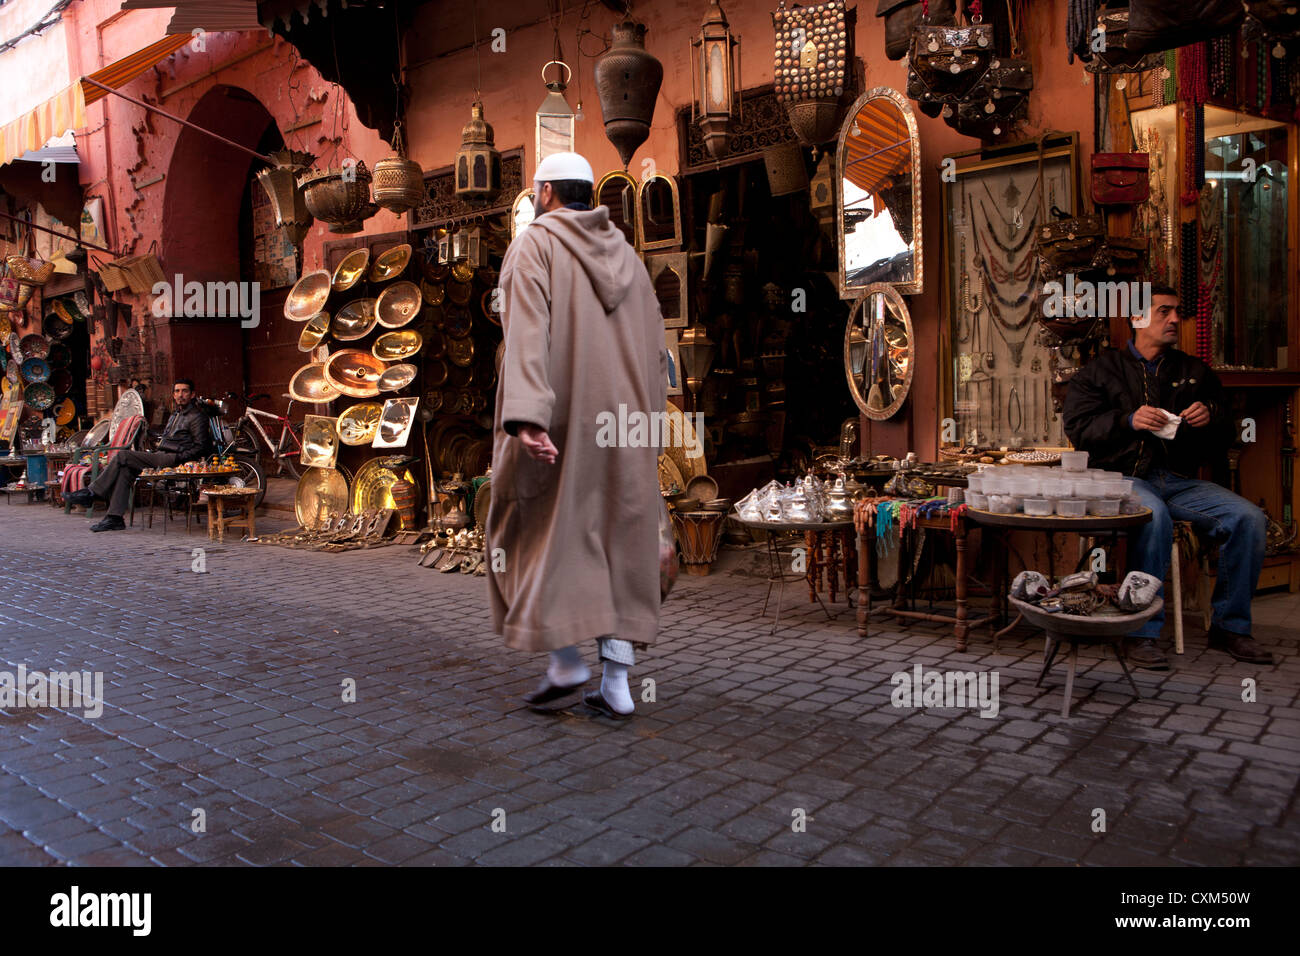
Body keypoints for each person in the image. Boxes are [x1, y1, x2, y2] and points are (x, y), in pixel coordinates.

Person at [486, 151, 667, 719]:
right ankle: (617, 686)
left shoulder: (534, 245)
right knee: (616, 541)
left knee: (537, 532)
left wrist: (528, 416)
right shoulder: (631, 260)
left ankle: (565, 660)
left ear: (544, 193)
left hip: (560, 422)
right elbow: (657, 352)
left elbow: (525, 336)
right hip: (625, 425)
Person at [1063, 284, 1273, 669]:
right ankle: (1142, 632)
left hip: (1178, 480)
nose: (1175, 319)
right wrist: (1127, 420)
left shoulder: (1195, 371)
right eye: (1164, 311)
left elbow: (1228, 431)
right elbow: (1078, 429)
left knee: (1248, 518)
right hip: (1121, 478)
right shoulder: (1099, 371)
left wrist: (1209, 417)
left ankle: (1231, 628)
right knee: (1153, 516)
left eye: (1177, 312)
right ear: (1137, 318)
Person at [65, 379, 212, 532]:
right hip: (162, 454)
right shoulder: (176, 414)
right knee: (125, 470)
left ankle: (92, 492)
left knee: (123, 456)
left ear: (192, 394)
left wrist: (179, 456)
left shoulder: (197, 416)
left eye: (185, 391)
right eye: (177, 391)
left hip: (175, 459)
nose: (180, 395)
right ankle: (114, 518)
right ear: (173, 394)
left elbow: (201, 447)